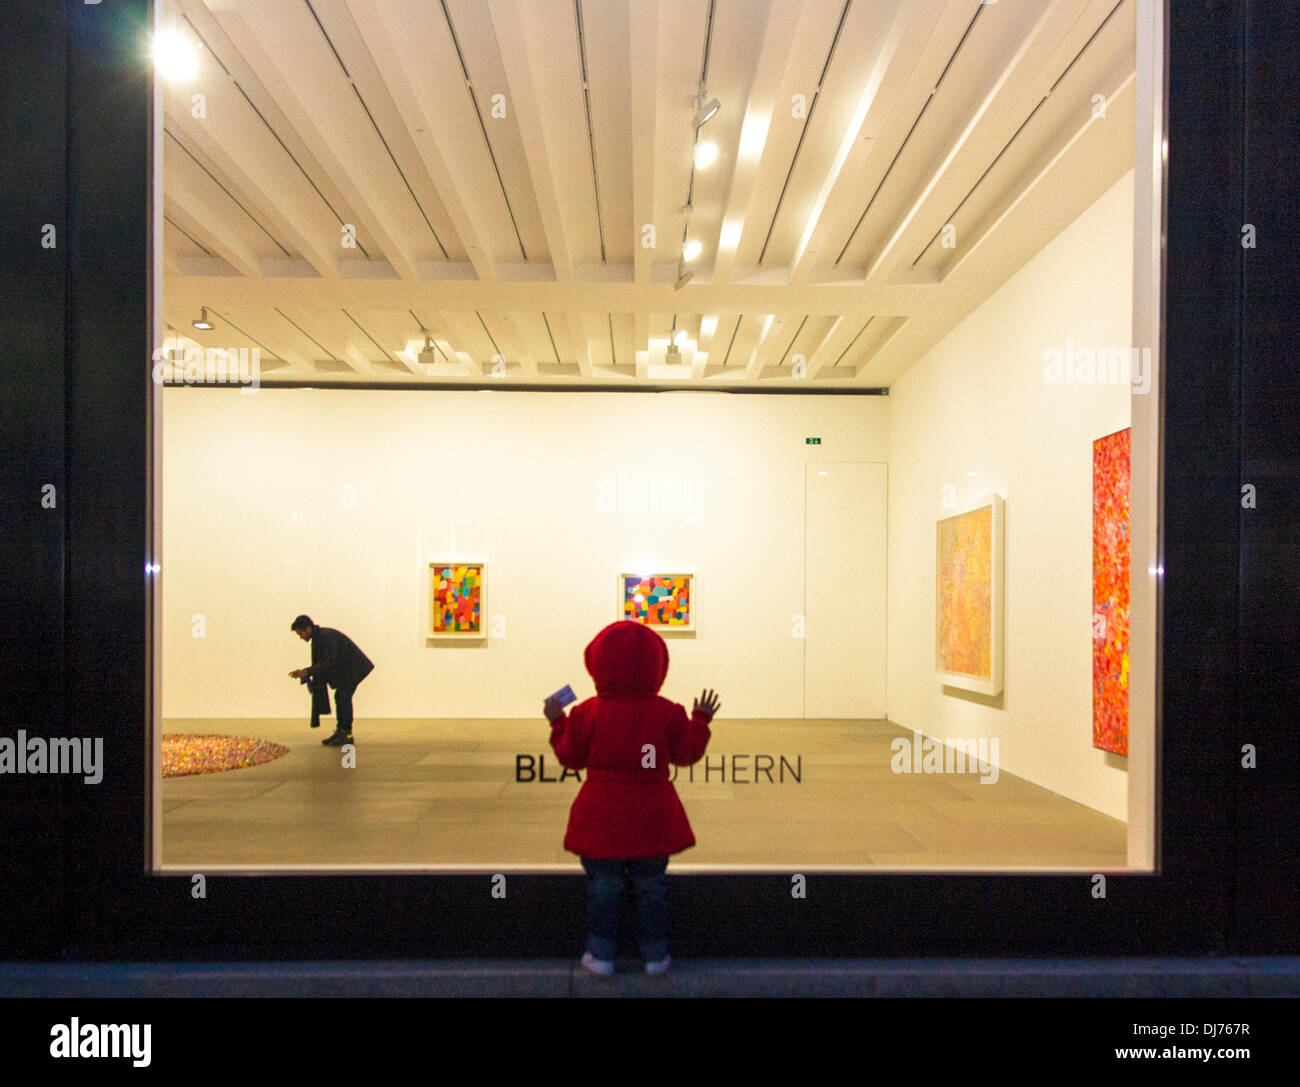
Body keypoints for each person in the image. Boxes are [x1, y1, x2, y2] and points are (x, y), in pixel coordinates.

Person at [543, 620, 719, 977]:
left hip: (600, 816)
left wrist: (558, 723)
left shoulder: (587, 712)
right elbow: (686, 752)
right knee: (651, 886)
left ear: (596, 663)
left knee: (604, 887)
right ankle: (655, 954)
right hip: (653, 816)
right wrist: (700, 721)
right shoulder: (666, 711)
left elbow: (571, 757)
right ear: (658, 665)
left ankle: (601, 954)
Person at [288, 615, 374, 746]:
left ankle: (346, 734)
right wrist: (308, 671)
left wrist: (307, 671)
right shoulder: (320, 637)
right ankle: (342, 731)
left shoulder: (325, 637)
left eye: (300, 633)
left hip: (354, 669)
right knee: (341, 696)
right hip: (350, 669)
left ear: (308, 629)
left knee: (343, 696)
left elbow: (329, 661)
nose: (300, 637)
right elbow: (326, 662)